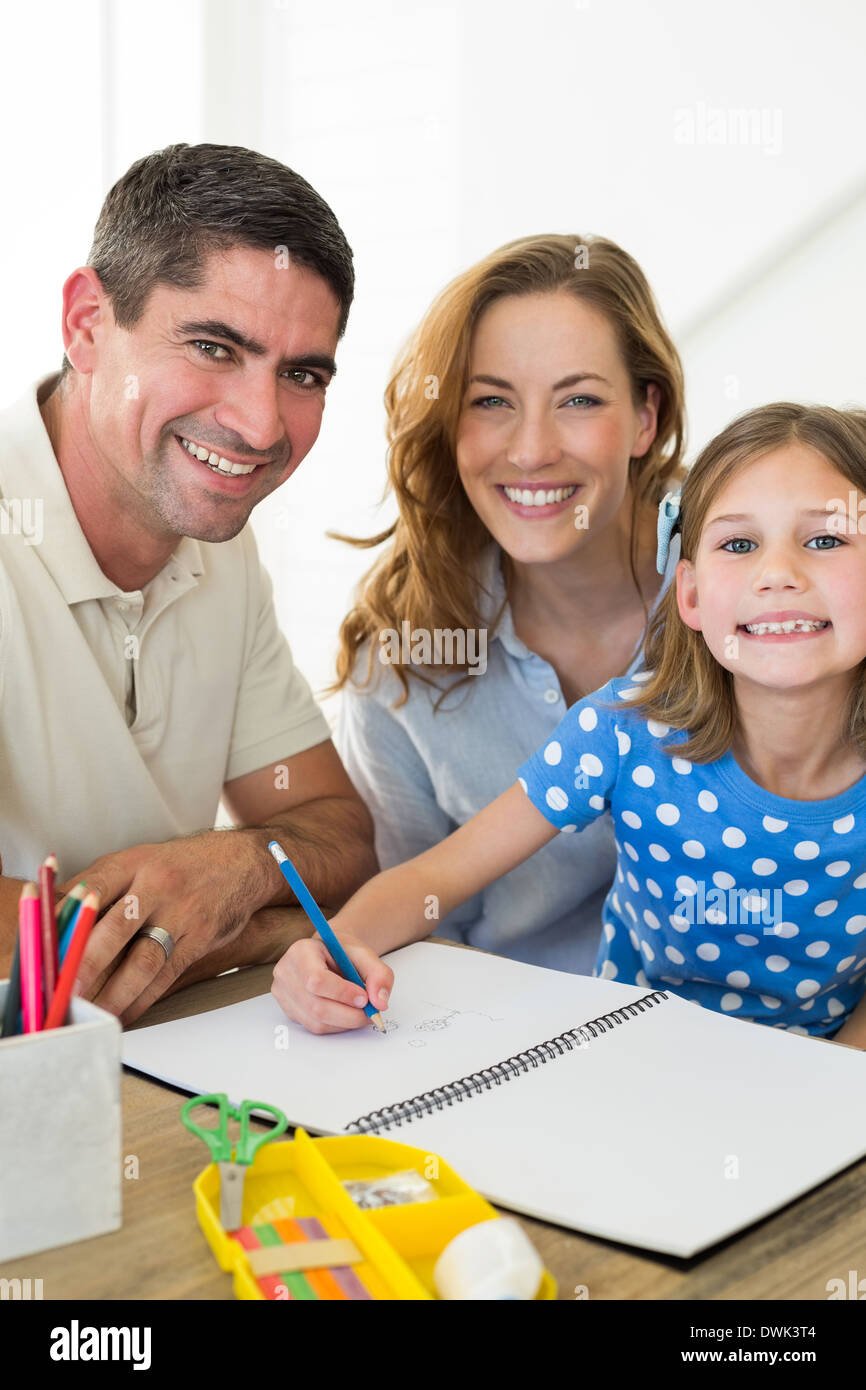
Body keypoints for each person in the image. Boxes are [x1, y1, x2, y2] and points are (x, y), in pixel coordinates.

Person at [273, 401, 866, 1049]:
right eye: (739, 544)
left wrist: (829, 1097)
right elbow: (434, 878)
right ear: (690, 594)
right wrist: (338, 946)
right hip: (622, 1069)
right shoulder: (621, 732)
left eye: (826, 539)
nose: (778, 574)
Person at [0, 142, 377, 1024]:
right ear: (87, 324)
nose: (258, 424)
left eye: (302, 375)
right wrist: (238, 924)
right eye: (211, 346)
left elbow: (339, 832)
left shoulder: (217, 543)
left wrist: (236, 867)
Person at [330, 233, 686, 972]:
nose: (530, 450)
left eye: (579, 400)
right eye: (491, 401)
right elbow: (418, 929)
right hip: (518, 1041)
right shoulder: (402, 665)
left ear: (646, 416)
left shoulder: (760, 593)